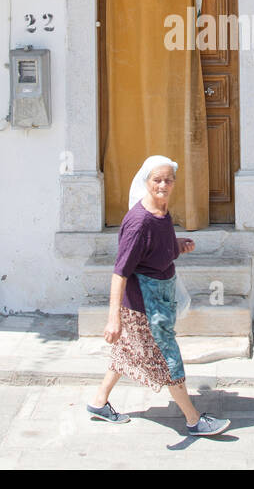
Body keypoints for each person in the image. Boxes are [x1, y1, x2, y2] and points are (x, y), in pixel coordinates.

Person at [86, 154, 230, 437]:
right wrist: (113, 318)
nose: (163, 185)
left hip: (159, 298)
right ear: (147, 182)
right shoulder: (138, 223)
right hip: (144, 306)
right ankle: (193, 420)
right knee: (168, 357)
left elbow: (153, 250)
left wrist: (175, 246)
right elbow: (120, 272)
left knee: (126, 352)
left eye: (168, 180)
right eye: (157, 180)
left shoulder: (162, 213)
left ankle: (99, 402)